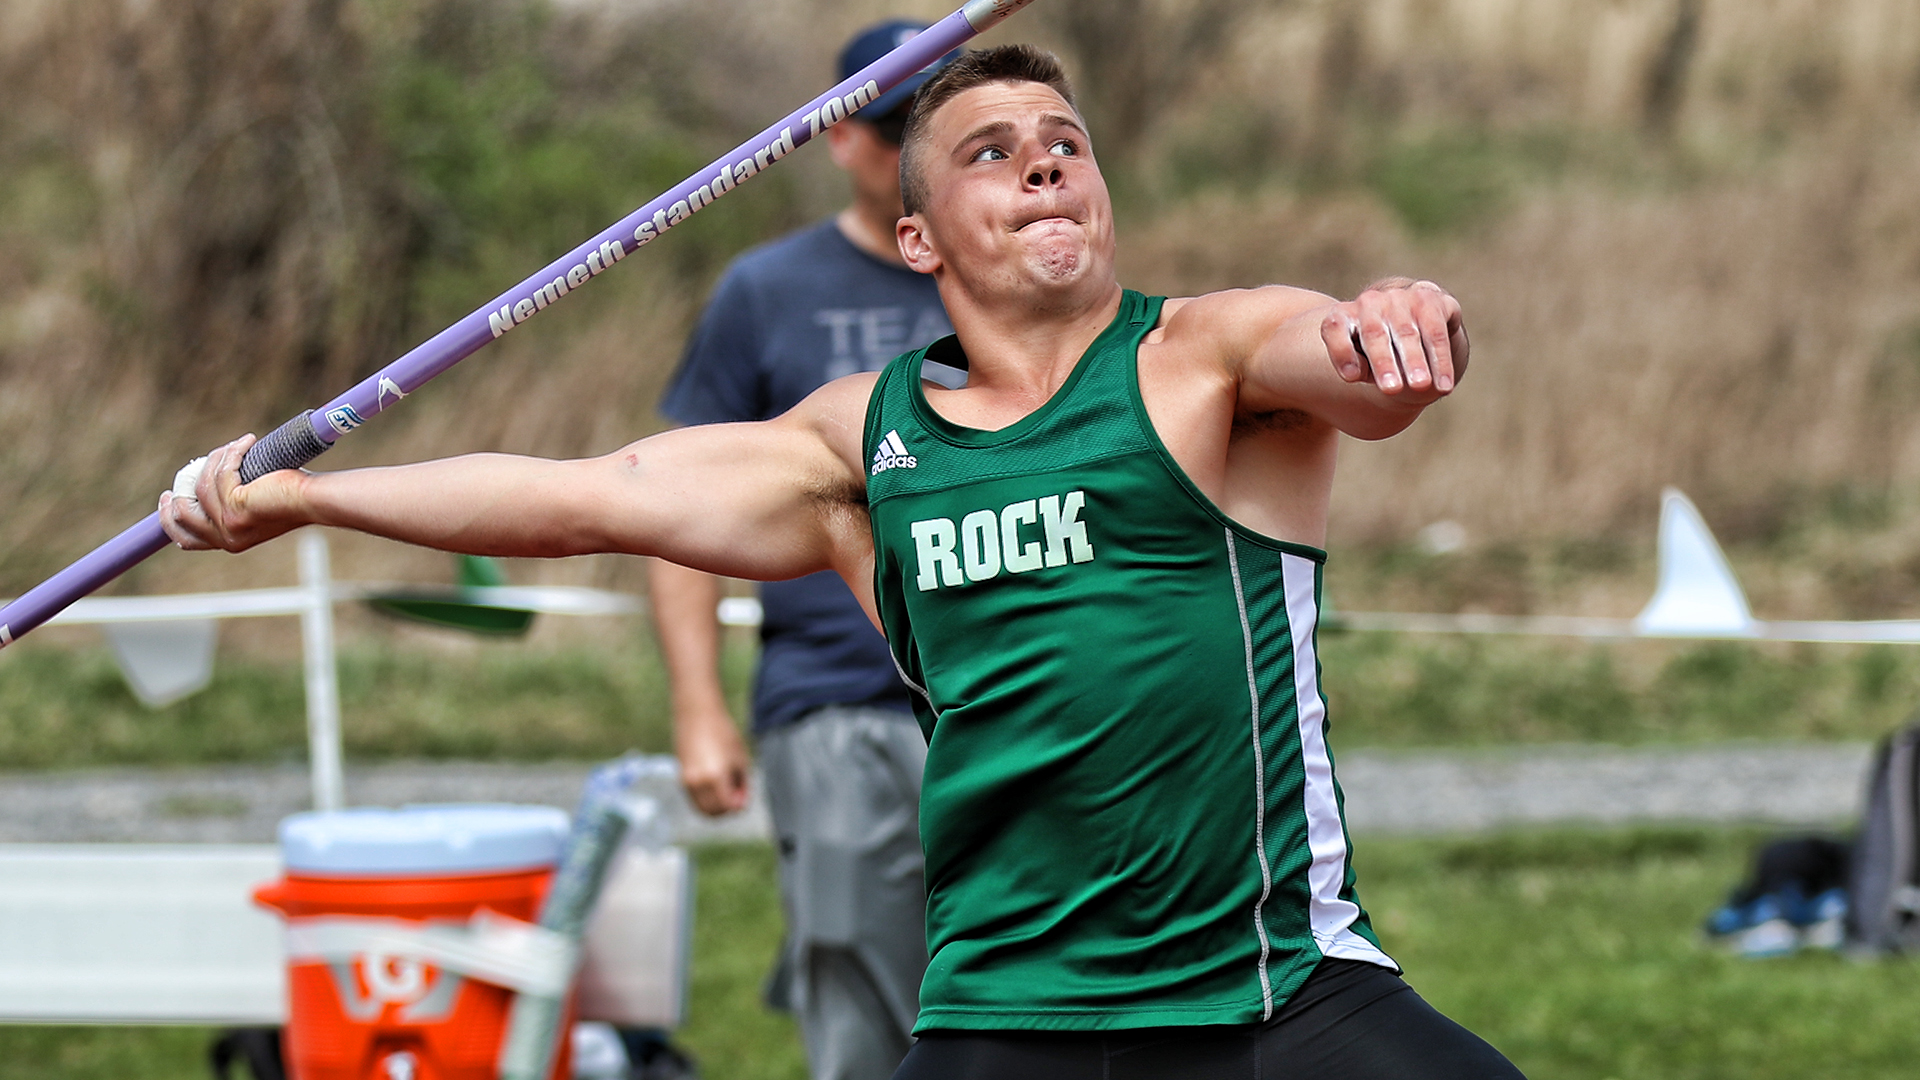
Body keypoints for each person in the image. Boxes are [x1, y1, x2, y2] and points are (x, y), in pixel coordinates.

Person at [161, 44, 1524, 1080]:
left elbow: (1357, 362)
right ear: (915, 235)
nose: (1045, 165)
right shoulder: (859, 450)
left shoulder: (1208, 357)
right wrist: (313, 500)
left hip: (1271, 995)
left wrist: (1405, 320)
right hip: (1006, 1014)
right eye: (993, 151)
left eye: (1066, 144)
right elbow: (588, 494)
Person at [649, 19, 958, 1080]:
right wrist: (698, 706)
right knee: (865, 1001)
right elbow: (677, 506)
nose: (916, 150)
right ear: (840, 139)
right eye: (896, 127)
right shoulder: (766, 291)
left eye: (940, 124)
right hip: (835, 705)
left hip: (1007, 690)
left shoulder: (1015, 280)